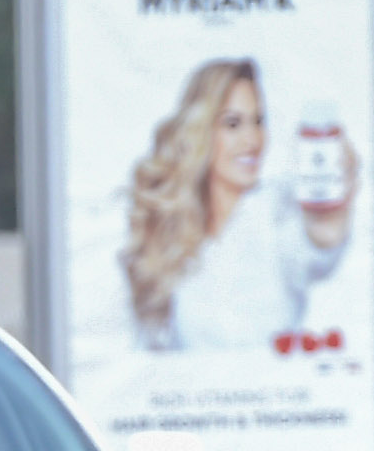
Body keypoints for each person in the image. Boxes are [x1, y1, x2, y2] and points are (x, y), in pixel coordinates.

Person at [119, 58, 356, 351]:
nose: (252, 139)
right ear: (201, 131)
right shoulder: (170, 231)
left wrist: (327, 228)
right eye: (233, 124)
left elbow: (316, 248)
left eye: (258, 122)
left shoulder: (277, 209)